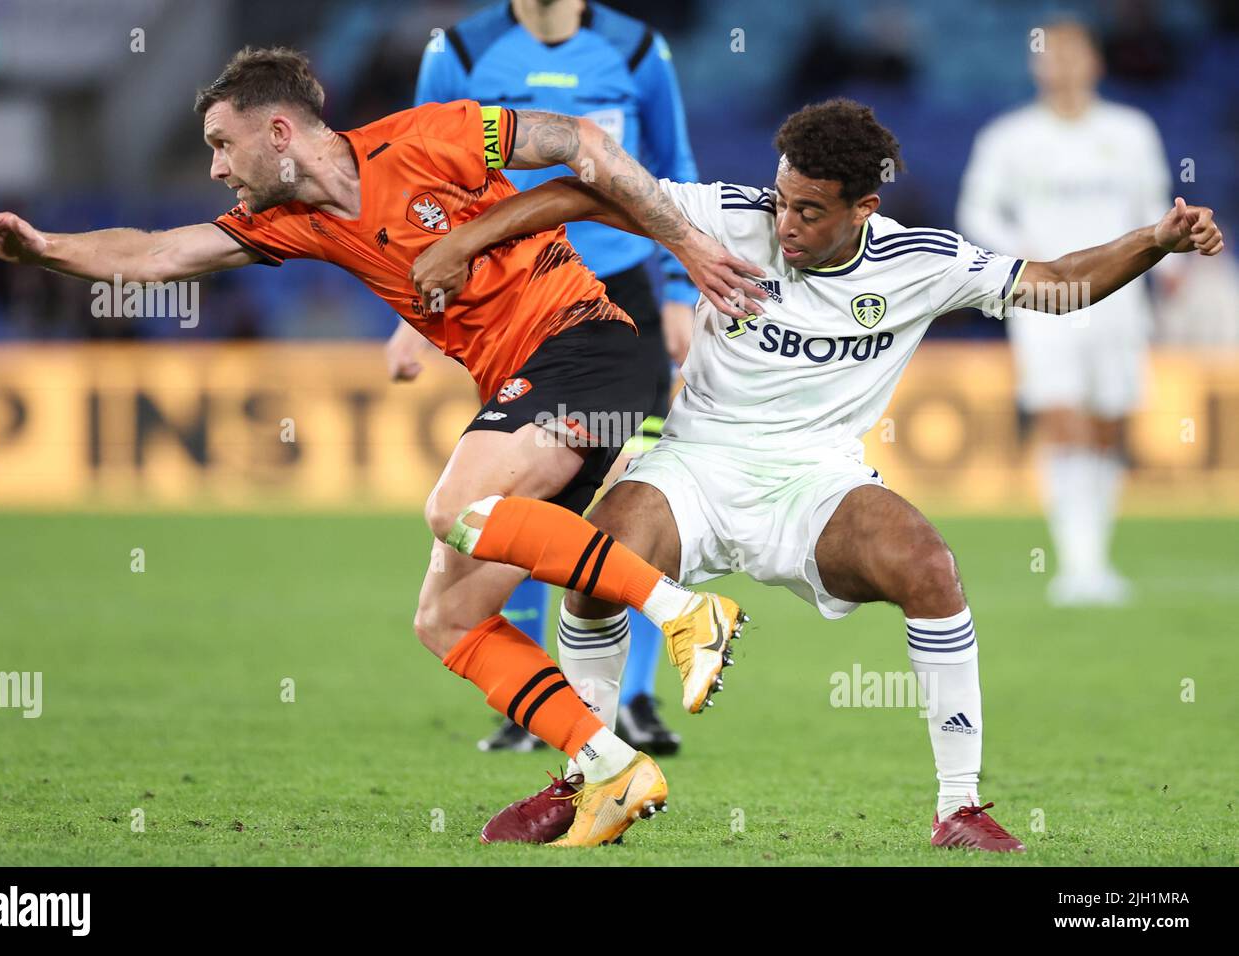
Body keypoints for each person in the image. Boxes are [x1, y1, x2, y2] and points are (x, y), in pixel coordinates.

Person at [0, 46, 765, 848]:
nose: (216, 169)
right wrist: (46, 248)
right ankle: (607, 765)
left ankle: (685, 612)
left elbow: (582, 148)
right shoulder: (294, 223)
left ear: (278, 132)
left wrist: (684, 245)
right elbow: (162, 252)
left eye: (221, 145)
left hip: (587, 346)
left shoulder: (428, 137)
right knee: (447, 618)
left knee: (454, 509)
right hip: (534, 384)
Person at [407, 97, 1223, 848]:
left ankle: (959, 807)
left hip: (815, 481)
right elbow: (587, 192)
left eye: (809, 209)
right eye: (782, 199)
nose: (785, 223)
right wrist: (463, 240)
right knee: (600, 562)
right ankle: (588, 778)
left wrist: (1153, 240)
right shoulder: (731, 214)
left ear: (865, 207)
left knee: (929, 566)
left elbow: (1052, 285)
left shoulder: (922, 262)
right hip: (696, 462)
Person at [392, 0, 700, 755]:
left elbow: (675, 168)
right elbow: (416, 181)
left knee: (633, 491)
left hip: (621, 298)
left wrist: (681, 286)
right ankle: (534, 705)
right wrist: (411, 311)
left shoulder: (636, 50)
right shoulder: (459, 49)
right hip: (517, 303)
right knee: (516, 499)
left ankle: (633, 701)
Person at [957, 19, 1177, 605]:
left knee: (1108, 422)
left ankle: (1096, 558)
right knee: (1062, 417)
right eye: (1050, 56)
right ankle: (1076, 565)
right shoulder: (1009, 137)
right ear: (1037, 66)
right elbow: (977, 212)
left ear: (1094, 63)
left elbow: (1154, 208)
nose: (1061, 66)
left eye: (1072, 55)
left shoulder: (1130, 132)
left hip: (1121, 298)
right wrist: (1024, 259)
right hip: (1046, 298)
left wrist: (1170, 264)